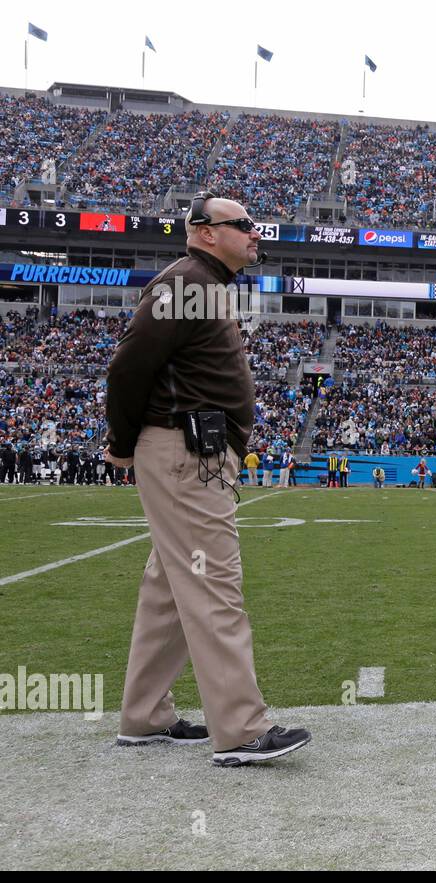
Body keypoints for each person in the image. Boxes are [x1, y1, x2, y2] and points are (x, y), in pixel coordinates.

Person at [105, 192, 309, 767]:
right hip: (185, 453)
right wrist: (120, 444)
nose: (254, 233)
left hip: (189, 451)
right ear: (204, 231)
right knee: (214, 582)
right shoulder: (187, 282)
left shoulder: (202, 283)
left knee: (169, 587)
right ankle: (241, 730)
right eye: (242, 225)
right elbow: (129, 365)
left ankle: (144, 716)